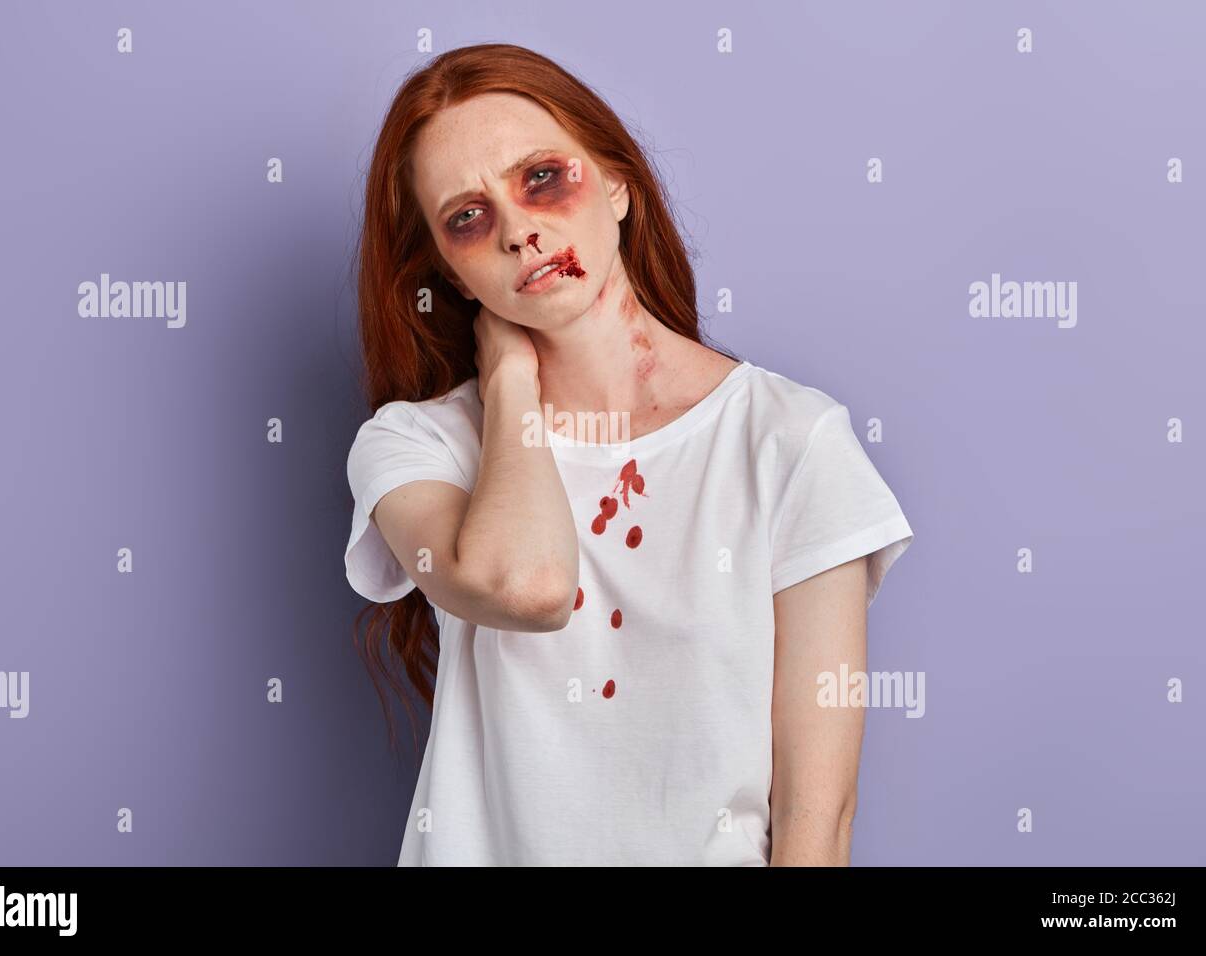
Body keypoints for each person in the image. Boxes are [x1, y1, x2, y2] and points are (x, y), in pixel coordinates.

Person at [345, 43, 914, 866]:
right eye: (467, 219)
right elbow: (530, 587)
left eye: (542, 177)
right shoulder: (413, 446)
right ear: (453, 276)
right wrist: (508, 382)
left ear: (617, 184)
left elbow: (813, 821)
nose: (519, 231)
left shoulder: (791, 442)